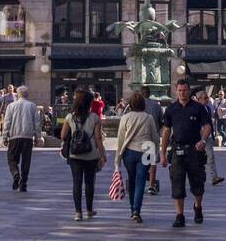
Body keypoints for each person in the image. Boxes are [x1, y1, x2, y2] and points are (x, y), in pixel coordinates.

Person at [160, 80, 211, 228]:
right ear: (176, 91)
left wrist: (202, 140)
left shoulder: (199, 108)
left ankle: (198, 207)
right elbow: (166, 131)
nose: (182, 93)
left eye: (185, 90)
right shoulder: (171, 109)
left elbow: (207, 126)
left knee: (198, 182)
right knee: (177, 183)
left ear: (189, 91)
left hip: (195, 150)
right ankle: (179, 215)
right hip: (177, 150)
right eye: (180, 90)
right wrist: (162, 154)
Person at [62, 86, 106, 220]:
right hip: (91, 154)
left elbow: (63, 135)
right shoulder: (94, 118)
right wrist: (102, 155)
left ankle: (78, 212)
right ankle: (89, 210)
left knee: (76, 183)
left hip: (74, 154)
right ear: (89, 103)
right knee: (89, 183)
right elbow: (98, 138)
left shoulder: (70, 117)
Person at [114, 91, 159, 223]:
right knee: (141, 181)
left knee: (132, 180)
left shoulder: (125, 118)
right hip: (145, 151)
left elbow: (120, 139)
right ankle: (136, 210)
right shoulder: (148, 117)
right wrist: (155, 153)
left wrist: (117, 159)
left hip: (129, 152)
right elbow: (155, 137)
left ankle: (131, 208)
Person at [2, 85, 43, 192]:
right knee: (26, 160)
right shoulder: (32, 106)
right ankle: (23, 183)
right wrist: (38, 137)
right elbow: (37, 123)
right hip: (28, 137)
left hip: (14, 136)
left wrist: (5, 136)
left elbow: (7, 122)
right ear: (27, 94)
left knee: (11, 158)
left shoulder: (11, 106)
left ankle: (15, 172)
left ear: (17, 94)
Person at [194, 90, 224, 186]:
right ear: (199, 99)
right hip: (198, 136)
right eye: (205, 98)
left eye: (207, 97)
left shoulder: (207, 108)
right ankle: (192, 176)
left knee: (210, 157)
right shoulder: (195, 109)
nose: (207, 99)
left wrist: (212, 133)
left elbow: (209, 123)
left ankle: (214, 177)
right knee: (195, 158)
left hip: (208, 136)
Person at [140, 86, 164, 194]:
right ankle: (151, 185)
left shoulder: (137, 105)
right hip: (153, 137)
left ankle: (141, 182)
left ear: (141, 94)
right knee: (152, 161)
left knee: (142, 161)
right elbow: (161, 122)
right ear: (149, 94)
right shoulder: (156, 106)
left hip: (139, 138)